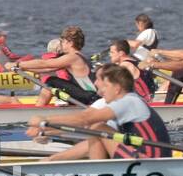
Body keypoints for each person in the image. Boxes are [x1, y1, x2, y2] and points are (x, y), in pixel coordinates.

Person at [25, 63, 172, 161]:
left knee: (97, 127)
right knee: (97, 129)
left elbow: (84, 119)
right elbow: (92, 141)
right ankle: (97, 174)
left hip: (150, 162)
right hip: (144, 158)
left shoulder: (128, 102)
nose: (99, 88)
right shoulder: (125, 103)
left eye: (105, 85)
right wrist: (52, 159)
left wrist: (44, 120)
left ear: (117, 88)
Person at [12, 27, 100, 107]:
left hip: (89, 98)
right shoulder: (79, 56)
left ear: (70, 42)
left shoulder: (73, 57)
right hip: (89, 96)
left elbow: (44, 63)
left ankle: (37, 110)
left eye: (62, 41)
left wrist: (17, 64)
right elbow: (47, 69)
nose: (61, 44)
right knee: (52, 80)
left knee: (51, 81)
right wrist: (22, 68)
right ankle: (39, 108)